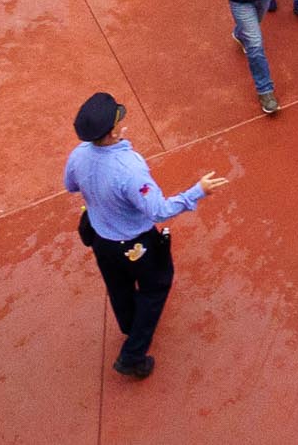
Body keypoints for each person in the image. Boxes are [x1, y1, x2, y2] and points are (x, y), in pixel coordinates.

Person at [63, 91, 227, 381]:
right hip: (135, 243)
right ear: (113, 131)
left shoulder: (78, 157)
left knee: (118, 287)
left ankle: (129, 324)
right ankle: (133, 354)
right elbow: (159, 210)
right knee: (155, 286)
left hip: (102, 240)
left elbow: (71, 185)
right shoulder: (130, 168)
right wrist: (198, 190)